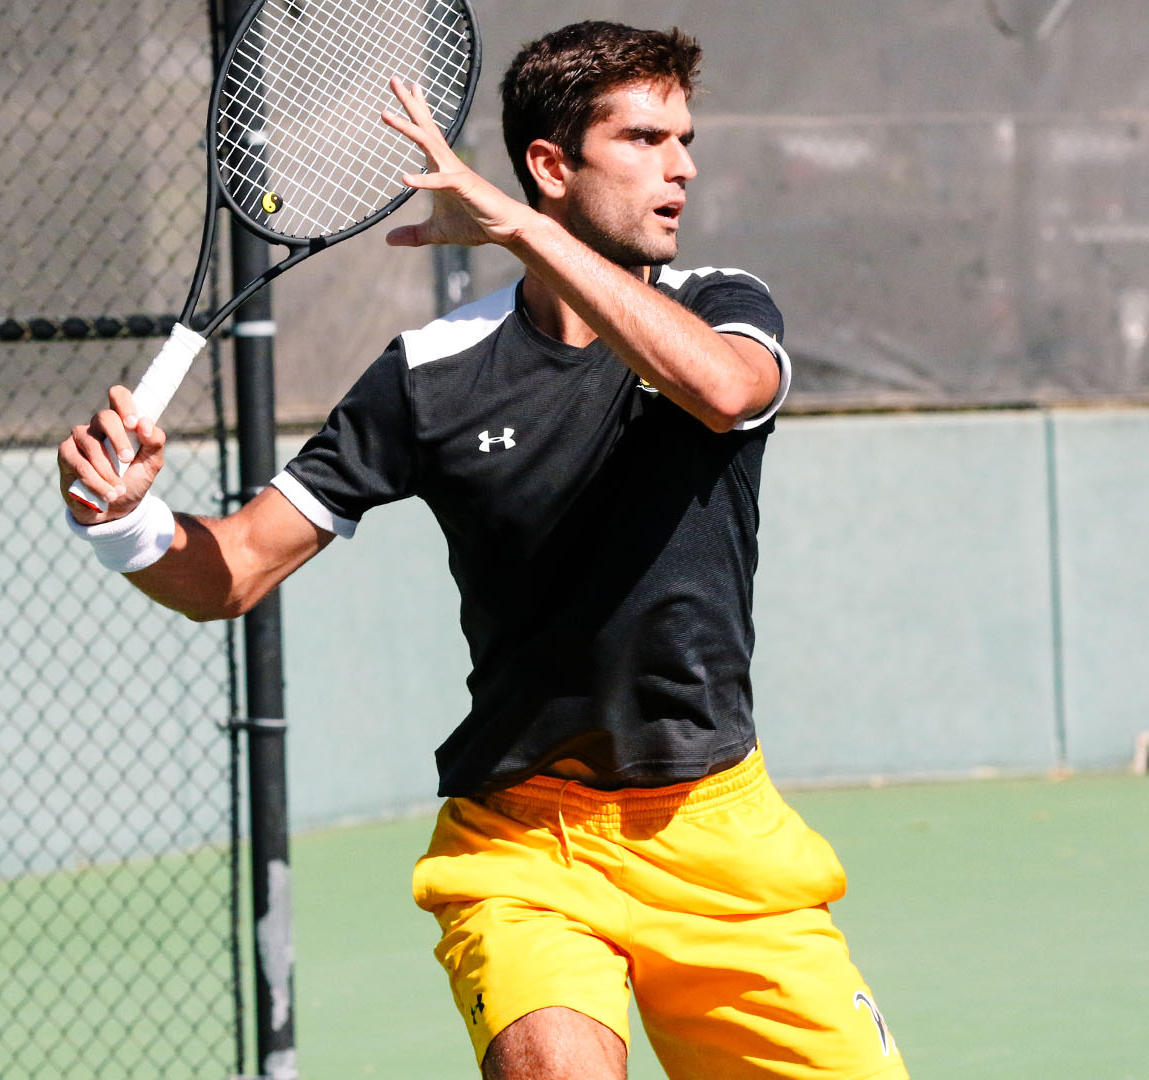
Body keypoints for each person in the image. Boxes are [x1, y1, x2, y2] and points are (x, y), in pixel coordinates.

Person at [57, 20, 907, 1080]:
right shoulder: (429, 374)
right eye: (643, 139)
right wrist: (124, 520)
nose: (680, 165)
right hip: (523, 845)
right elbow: (231, 571)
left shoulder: (720, 308)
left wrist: (519, 231)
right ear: (551, 166)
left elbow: (726, 391)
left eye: (684, 138)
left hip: (717, 833)